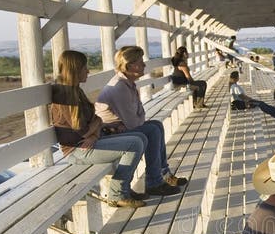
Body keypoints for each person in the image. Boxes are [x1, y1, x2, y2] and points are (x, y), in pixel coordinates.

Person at [50, 49, 147, 209]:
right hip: (77, 150)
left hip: (89, 142)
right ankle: (117, 194)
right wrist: (94, 127)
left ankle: (125, 189)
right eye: (84, 68)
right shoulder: (64, 94)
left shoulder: (75, 90)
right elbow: (81, 132)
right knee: (134, 143)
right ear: (75, 69)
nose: (88, 71)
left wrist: (94, 132)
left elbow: (95, 120)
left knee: (140, 138)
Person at [95, 46, 187, 198]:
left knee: (156, 124)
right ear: (130, 66)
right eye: (140, 62)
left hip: (118, 128)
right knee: (151, 130)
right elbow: (134, 123)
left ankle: (164, 174)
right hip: (107, 135)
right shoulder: (119, 88)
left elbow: (139, 116)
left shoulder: (127, 83)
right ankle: (154, 183)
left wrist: (136, 118)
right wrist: (135, 118)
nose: (144, 65)